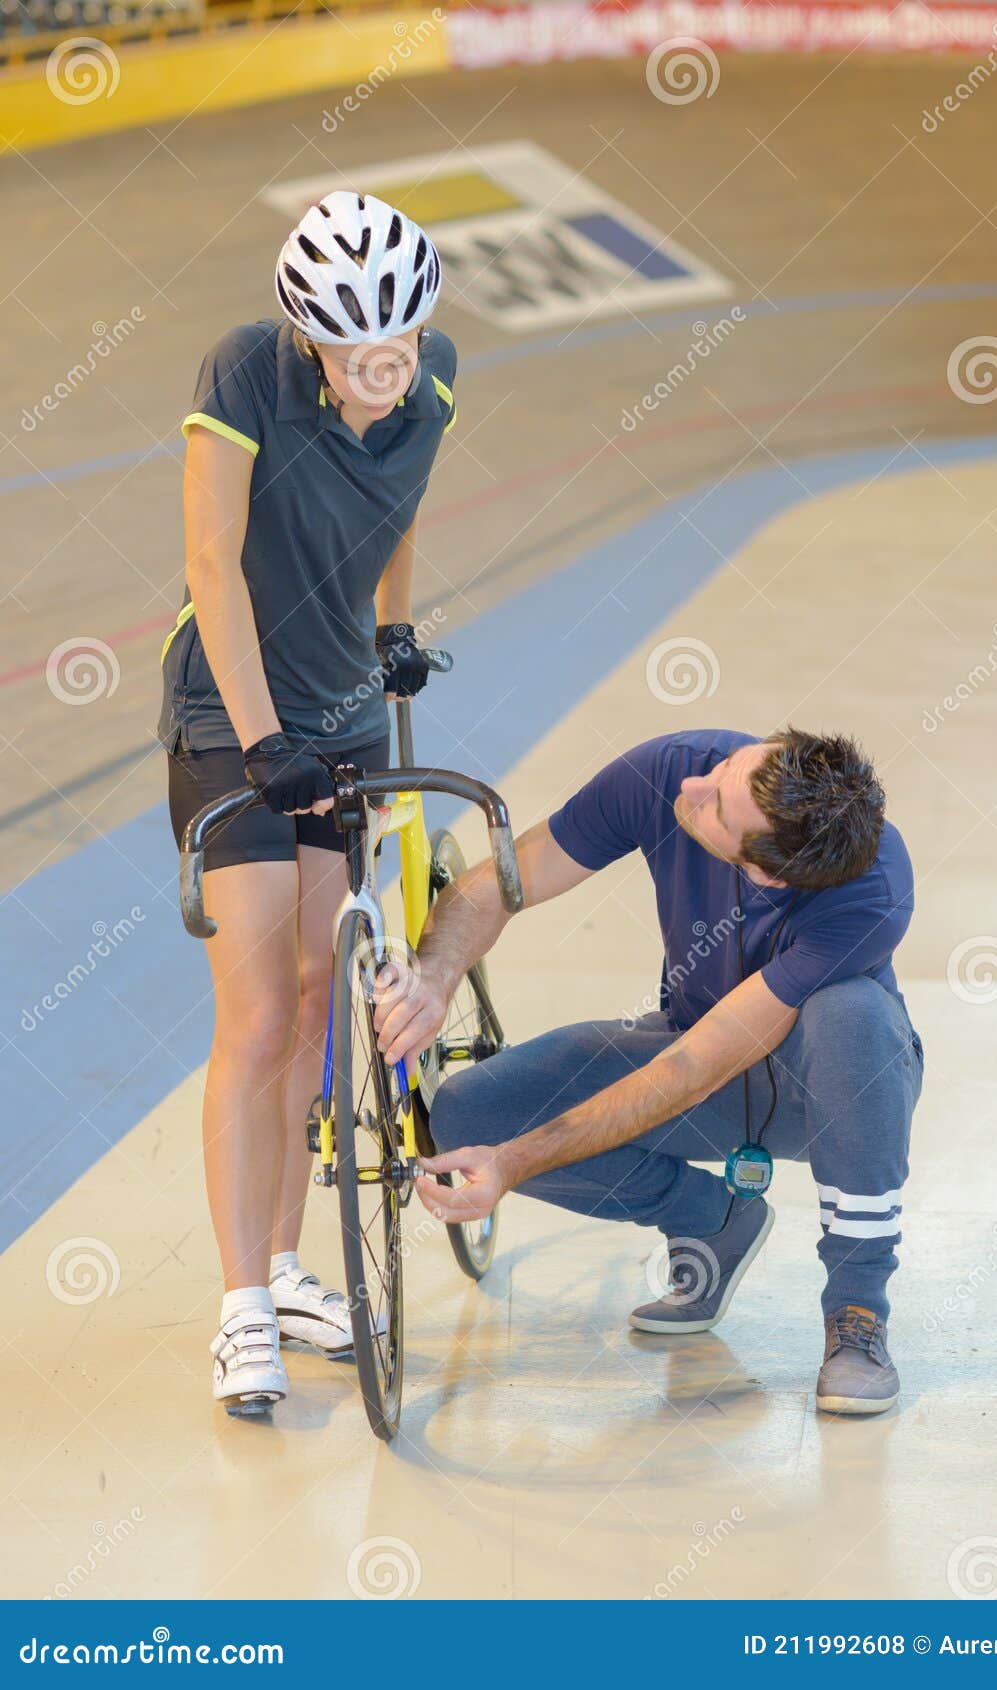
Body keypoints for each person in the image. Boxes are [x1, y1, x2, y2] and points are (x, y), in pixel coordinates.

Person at [374, 727, 924, 1416]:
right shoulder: (673, 770)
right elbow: (504, 880)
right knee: (466, 1115)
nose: (694, 790)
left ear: (765, 873)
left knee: (854, 1014)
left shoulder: (870, 889)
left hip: (823, 1091)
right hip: (694, 1045)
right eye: (724, 770)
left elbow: (694, 1069)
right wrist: (433, 974)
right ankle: (714, 1219)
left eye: (715, 808)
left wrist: (515, 1163)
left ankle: (857, 1315)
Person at [158, 191, 458, 1415]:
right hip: (231, 718)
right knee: (260, 1015)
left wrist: (391, 625)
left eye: (399, 348)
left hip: (335, 711)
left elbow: (401, 509)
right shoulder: (242, 372)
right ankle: (240, 1311)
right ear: (308, 341)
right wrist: (265, 736)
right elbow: (210, 561)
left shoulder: (433, 382)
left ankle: (286, 1269)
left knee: (321, 996)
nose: (384, 372)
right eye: (357, 356)